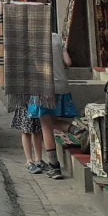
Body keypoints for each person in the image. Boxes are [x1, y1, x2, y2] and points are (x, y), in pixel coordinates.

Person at [27, 31, 75, 180]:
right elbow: (68, 62)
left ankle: (54, 167)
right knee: (53, 121)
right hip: (61, 86)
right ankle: (79, 131)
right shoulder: (56, 37)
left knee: (46, 126)